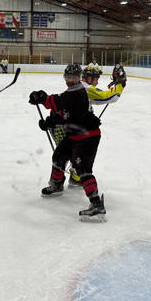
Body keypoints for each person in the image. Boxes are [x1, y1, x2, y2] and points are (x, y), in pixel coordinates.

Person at [29, 64, 105, 221]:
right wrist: (49, 120)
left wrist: (42, 98)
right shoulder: (71, 93)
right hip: (74, 134)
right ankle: (57, 184)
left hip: (88, 137)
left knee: (82, 169)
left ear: (79, 78)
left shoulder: (77, 93)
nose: (70, 80)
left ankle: (97, 205)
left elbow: (57, 103)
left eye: (74, 77)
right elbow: (63, 111)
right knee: (58, 156)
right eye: (68, 77)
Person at [64, 64, 127, 187]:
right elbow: (108, 96)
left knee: (76, 153)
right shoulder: (86, 88)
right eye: (96, 78)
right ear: (89, 78)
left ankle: (74, 177)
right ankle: (77, 177)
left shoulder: (80, 87)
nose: (97, 82)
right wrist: (120, 84)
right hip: (76, 129)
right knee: (83, 153)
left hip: (70, 126)